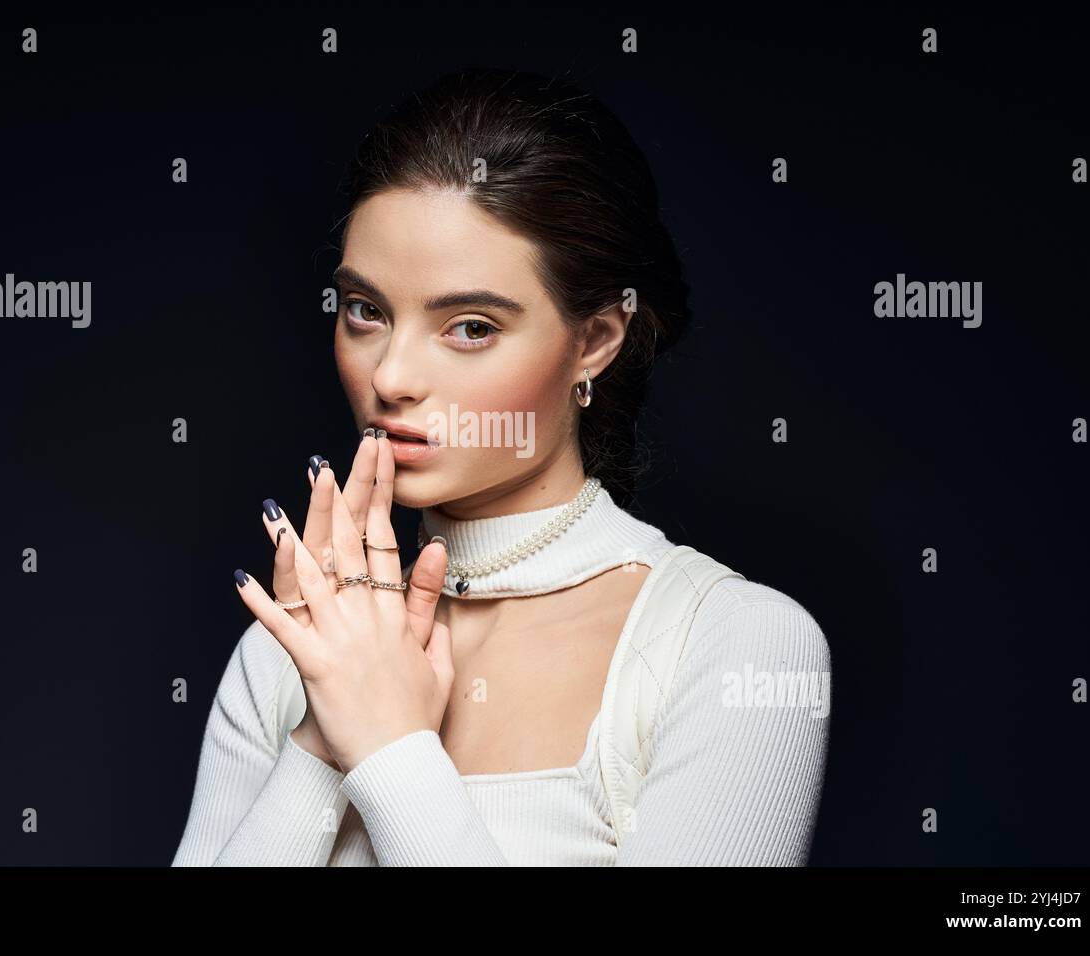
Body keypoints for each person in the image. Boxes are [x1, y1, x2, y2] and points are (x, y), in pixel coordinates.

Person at [172, 67, 831, 866]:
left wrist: (387, 746)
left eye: (472, 326)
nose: (390, 377)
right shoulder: (294, 652)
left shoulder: (738, 644)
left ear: (595, 340)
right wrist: (320, 739)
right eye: (365, 312)